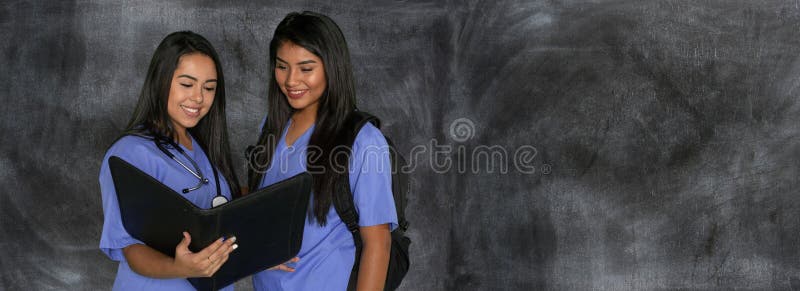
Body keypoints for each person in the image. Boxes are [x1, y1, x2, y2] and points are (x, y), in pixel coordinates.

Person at [248, 11, 398, 291]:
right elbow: (259, 208)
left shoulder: (363, 140)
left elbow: (378, 245)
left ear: (332, 68)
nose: (291, 80)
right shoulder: (271, 127)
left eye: (306, 69)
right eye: (282, 66)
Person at [98, 31, 240, 290]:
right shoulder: (130, 154)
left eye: (209, 88)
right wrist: (179, 268)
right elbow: (131, 248)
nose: (198, 97)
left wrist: (261, 254)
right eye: (187, 84)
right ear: (160, 81)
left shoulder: (205, 148)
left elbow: (222, 229)